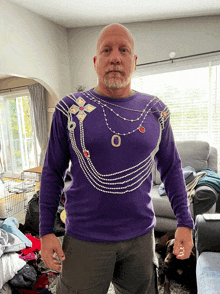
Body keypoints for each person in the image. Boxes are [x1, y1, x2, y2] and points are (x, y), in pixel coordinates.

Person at [40, 23, 194, 294]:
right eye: (106, 50)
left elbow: (171, 168)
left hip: (140, 239)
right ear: (96, 61)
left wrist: (185, 222)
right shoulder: (69, 109)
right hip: (84, 239)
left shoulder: (156, 111)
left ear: (134, 62)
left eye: (123, 50)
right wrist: (45, 231)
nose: (115, 57)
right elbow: (52, 170)